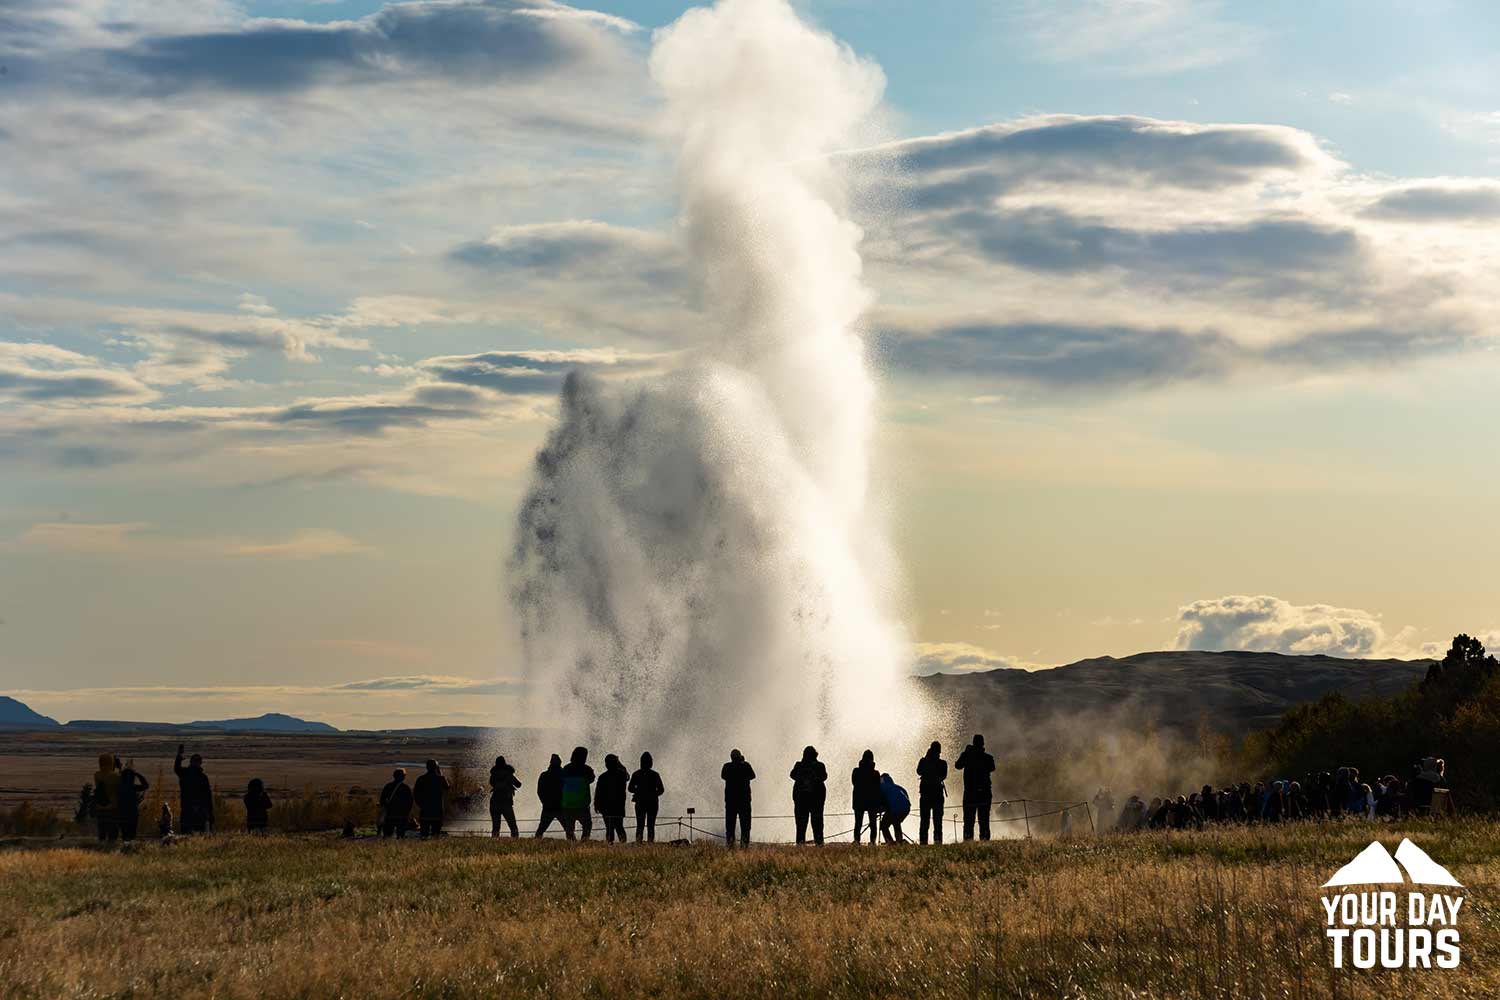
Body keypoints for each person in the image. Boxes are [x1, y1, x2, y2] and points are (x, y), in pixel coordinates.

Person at [955, 734, 995, 841]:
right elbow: (992, 767)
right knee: (984, 820)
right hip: (984, 793)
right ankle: (985, 841)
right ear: (983, 744)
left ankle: (968, 842)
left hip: (970, 793)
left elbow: (958, 765)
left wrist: (966, 752)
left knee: (969, 821)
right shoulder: (987, 758)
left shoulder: (968, 756)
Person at [789, 745, 827, 845]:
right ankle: (819, 843)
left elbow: (792, 775)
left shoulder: (800, 765)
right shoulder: (819, 765)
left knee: (801, 824)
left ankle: (801, 843)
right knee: (817, 823)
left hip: (802, 799)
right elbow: (824, 776)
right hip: (816, 799)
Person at [173, 744, 214, 834]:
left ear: (190, 762)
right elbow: (208, 796)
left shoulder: (185, 774)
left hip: (187, 809)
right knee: (200, 836)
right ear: (200, 763)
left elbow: (176, 769)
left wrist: (179, 756)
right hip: (200, 811)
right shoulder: (203, 777)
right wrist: (210, 814)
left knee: (185, 835)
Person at [560, 747, 596, 840]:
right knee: (587, 825)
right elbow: (591, 779)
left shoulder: (566, 768)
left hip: (568, 803)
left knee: (569, 828)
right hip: (582, 803)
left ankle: (572, 843)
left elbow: (561, 782)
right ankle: (584, 842)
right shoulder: (587, 769)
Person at [628, 752, 665, 842]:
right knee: (650, 825)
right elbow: (661, 790)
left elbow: (630, 788)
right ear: (651, 763)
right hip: (652, 803)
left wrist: (639, 792)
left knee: (640, 825)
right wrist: (652, 794)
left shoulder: (636, 774)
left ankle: (639, 842)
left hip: (641, 802)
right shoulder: (655, 775)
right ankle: (650, 843)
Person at [721, 749, 755, 846]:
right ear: (740, 756)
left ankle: (730, 845)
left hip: (731, 800)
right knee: (745, 826)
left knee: (730, 825)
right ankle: (744, 846)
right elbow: (752, 775)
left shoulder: (727, 766)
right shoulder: (745, 766)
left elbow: (723, 776)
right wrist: (743, 762)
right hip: (744, 800)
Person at [916, 741, 947, 845]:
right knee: (937, 821)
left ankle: (923, 842)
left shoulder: (924, 761)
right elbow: (943, 776)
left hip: (926, 795)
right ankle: (938, 842)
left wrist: (927, 758)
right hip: (937, 795)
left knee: (925, 821)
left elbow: (919, 771)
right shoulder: (942, 763)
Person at [595, 753, 629, 843]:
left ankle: (610, 844)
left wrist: (596, 804)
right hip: (618, 805)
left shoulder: (603, 777)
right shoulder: (621, 775)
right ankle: (623, 844)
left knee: (609, 827)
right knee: (619, 826)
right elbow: (627, 775)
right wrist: (619, 763)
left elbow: (598, 792)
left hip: (606, 806)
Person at [851, 750, 883, 844]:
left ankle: (857, 841)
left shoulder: (856, 771)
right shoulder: (876, 773)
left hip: (859, 799)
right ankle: (872, 842)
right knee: (873, 822)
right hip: (872, 800)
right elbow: (877, 788)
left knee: (858, 822)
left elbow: (854, 783)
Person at [413, 759, 450, 838]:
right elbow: (447, 787)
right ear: (436, 768)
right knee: (436, 834)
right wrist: (440, 773)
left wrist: (421, 804)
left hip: (425, 810)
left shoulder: (421, 779)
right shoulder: (441, 779)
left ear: (427, 767)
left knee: (424, 834)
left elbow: (415, 794)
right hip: (437, 811)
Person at [489, 755, 522, 838]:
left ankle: (494, 842)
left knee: (496, 827)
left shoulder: (493, 774)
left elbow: (491, 783)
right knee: (513, 826)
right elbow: (519, 784)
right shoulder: (509, 774)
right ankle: (515, 842)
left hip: (494, 803)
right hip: (506, 803)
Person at [91, 753, 121, 843]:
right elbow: (120, 785)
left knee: (102, 828)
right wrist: (119, 768)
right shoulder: (115, 776)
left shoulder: (97, 775)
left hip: (100, 806)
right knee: (112, 830)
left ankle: (101, 845)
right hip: (112, 806)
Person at [116, 760, 148, 842]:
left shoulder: (119, 787)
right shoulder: (133, 787)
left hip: (122, 813)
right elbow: (145, 785)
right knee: (132, 834)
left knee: (125, 834)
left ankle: (125, 847)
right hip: (132, 814)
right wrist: (137, 774)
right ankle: (129, 847)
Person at [378, 767, 414, 839]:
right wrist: (406, 812)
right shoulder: (405, 788)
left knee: (387, 836)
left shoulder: (388, 786)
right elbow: (410, 802)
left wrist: (385, 808)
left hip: (389, 815)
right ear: (403, 776)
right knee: (400, 836)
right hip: (402, 816)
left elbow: (382, 800)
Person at [535, 754, 563, 837]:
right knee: (568, 830)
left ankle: (535, 844)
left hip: (548, 806)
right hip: (560, 806)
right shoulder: (564, 775)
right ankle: (575, 846)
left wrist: (544, 801)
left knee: (541, 829)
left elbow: (539, 791)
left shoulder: (544, 775)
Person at [879, 773, 911, 844]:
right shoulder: (899, 787)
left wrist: (879, 810)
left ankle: (890, 842)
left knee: (884, 826)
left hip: (893, 809)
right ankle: (899, 841)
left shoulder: (881, 787)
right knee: (896, 823)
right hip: (905, 809)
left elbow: (881, 801)